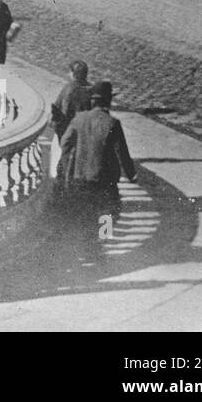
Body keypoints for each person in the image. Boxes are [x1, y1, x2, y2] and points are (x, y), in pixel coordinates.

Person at [59, 82, 137, 263]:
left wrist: (75, 159)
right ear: (108, 101)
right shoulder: (113, 123)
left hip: (80, 177)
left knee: (86, 213)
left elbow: (65, 144)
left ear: (92, 101)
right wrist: (131, 174)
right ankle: (100, 243)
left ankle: (86, 249)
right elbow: (122, 153)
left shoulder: (79, 119)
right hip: (105, 179)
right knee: (110, 212)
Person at [51, 60, 93, 141]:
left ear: (73, 74)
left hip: (67, 133)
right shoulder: (92, 89)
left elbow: (58, 109)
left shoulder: (68, 88)